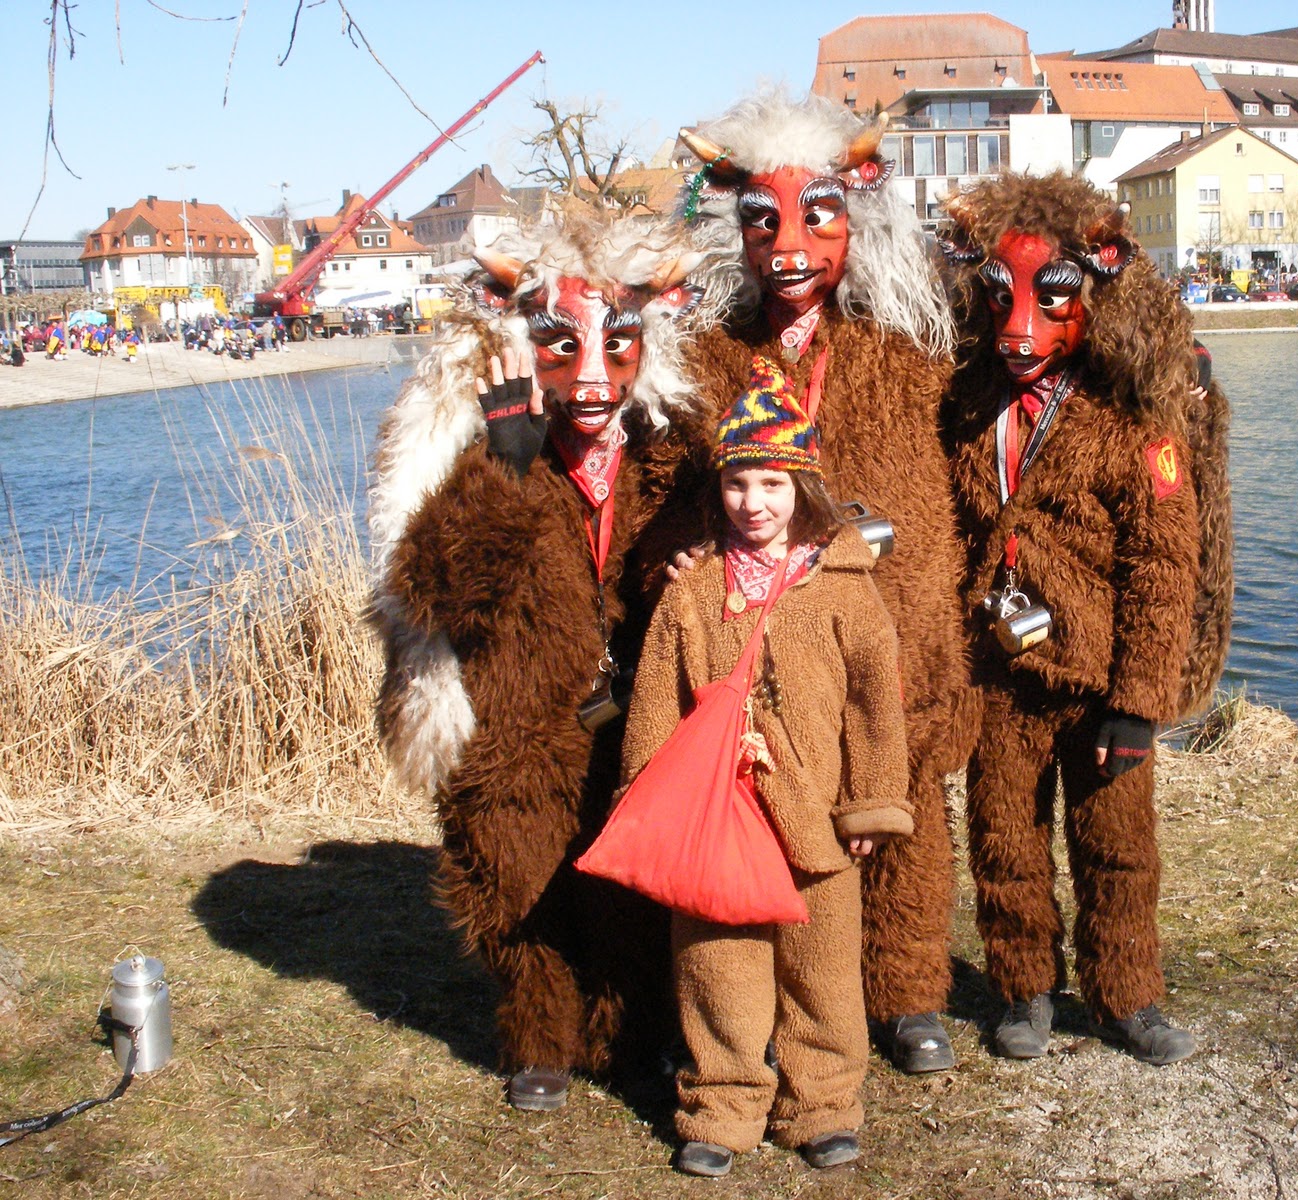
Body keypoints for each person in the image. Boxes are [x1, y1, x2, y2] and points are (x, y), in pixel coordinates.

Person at [370, 217, 708, 1113]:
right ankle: (541, 1040)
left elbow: (711, 529)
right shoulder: (489, 447)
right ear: (523, 349)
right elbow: (441, 590)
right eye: (561, 347)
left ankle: (633, 1035)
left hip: (630, 705)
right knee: (518, 880)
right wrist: (510, 467)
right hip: (515, 718)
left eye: (616, 344)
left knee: (629, 879)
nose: (591, 375)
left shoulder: (667, 450)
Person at [675, 92, 978, 1073]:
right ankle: (775, 999)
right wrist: (678, 568)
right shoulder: (708, 358)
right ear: (738, 232)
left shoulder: (907, 352)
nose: (792, 247)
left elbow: (956, 480)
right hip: (764, 642)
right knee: (771, 811)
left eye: (818, 219)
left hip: (893, 625)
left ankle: (908, 989)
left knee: (903, 808)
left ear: (861, 222)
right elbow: (668, 485)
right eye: (765, 224)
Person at [941, 172, 1230, 1066]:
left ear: (1097, 298)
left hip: (1101, 673)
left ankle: (1127, 995)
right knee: (1003, 837)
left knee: (1117, 846)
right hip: (999, 667)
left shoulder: (1133, 421)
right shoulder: (967, 400)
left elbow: (1163, 565)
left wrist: (1140, 702)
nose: (1019, 324)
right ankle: (1024, 986)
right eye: (1001, 297)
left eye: (1051, 298)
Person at [620, 356, 910, 1178]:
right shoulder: (693, 588)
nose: (755, 504)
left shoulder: (846, 588)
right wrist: (650, 801)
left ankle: (821, 1103)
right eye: (740, 485)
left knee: (821, 970)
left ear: (803, 490)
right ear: (721, 491)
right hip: (719, 814)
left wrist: (872, 803)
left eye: (774, 486)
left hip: (817, 814)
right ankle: (722, 1102)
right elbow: (655, 700)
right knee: (718, 965)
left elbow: (874, 707)